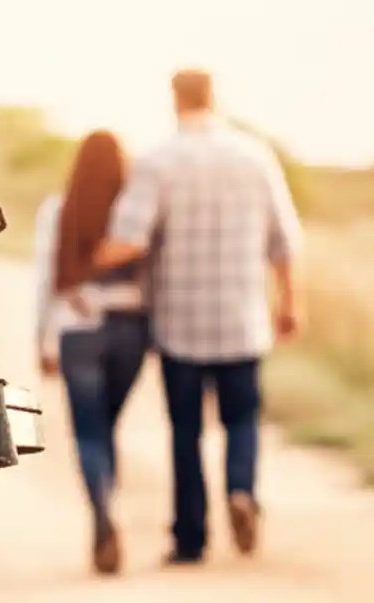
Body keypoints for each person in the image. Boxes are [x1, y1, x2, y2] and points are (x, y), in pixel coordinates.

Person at [94, 69, 304, 565]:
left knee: (186, 432)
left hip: (179, 324)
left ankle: (191, 539)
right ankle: (241, 491)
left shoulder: (158, 160)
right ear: (214, 96)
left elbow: (130, 240)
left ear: (176, 98)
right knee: (242, 420)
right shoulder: (255, 156)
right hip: (242, 319)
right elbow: (285, 240)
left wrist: (82, 260)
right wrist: (290, 302)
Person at [33, 131, 150, 575]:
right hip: (129, 330)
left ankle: (103, 514)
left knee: (88, 432)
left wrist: (43, 341)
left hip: (77, 330)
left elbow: (46, 280)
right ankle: (108, 506)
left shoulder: (59, 209)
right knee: (107, 427)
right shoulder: (134, 212)